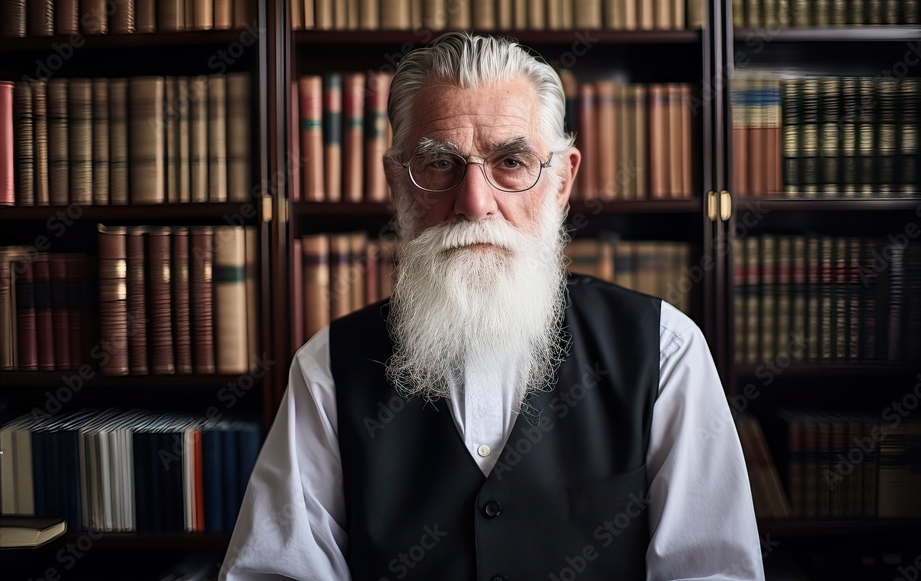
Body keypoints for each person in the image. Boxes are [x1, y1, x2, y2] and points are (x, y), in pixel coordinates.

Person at [220, 32, 764, 581]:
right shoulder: (327, 370)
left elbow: (713, 572)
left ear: (561, 181)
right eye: (439, 164)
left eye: (510, 161)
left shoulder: (666, 350)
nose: (475, 203)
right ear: (396, 183)